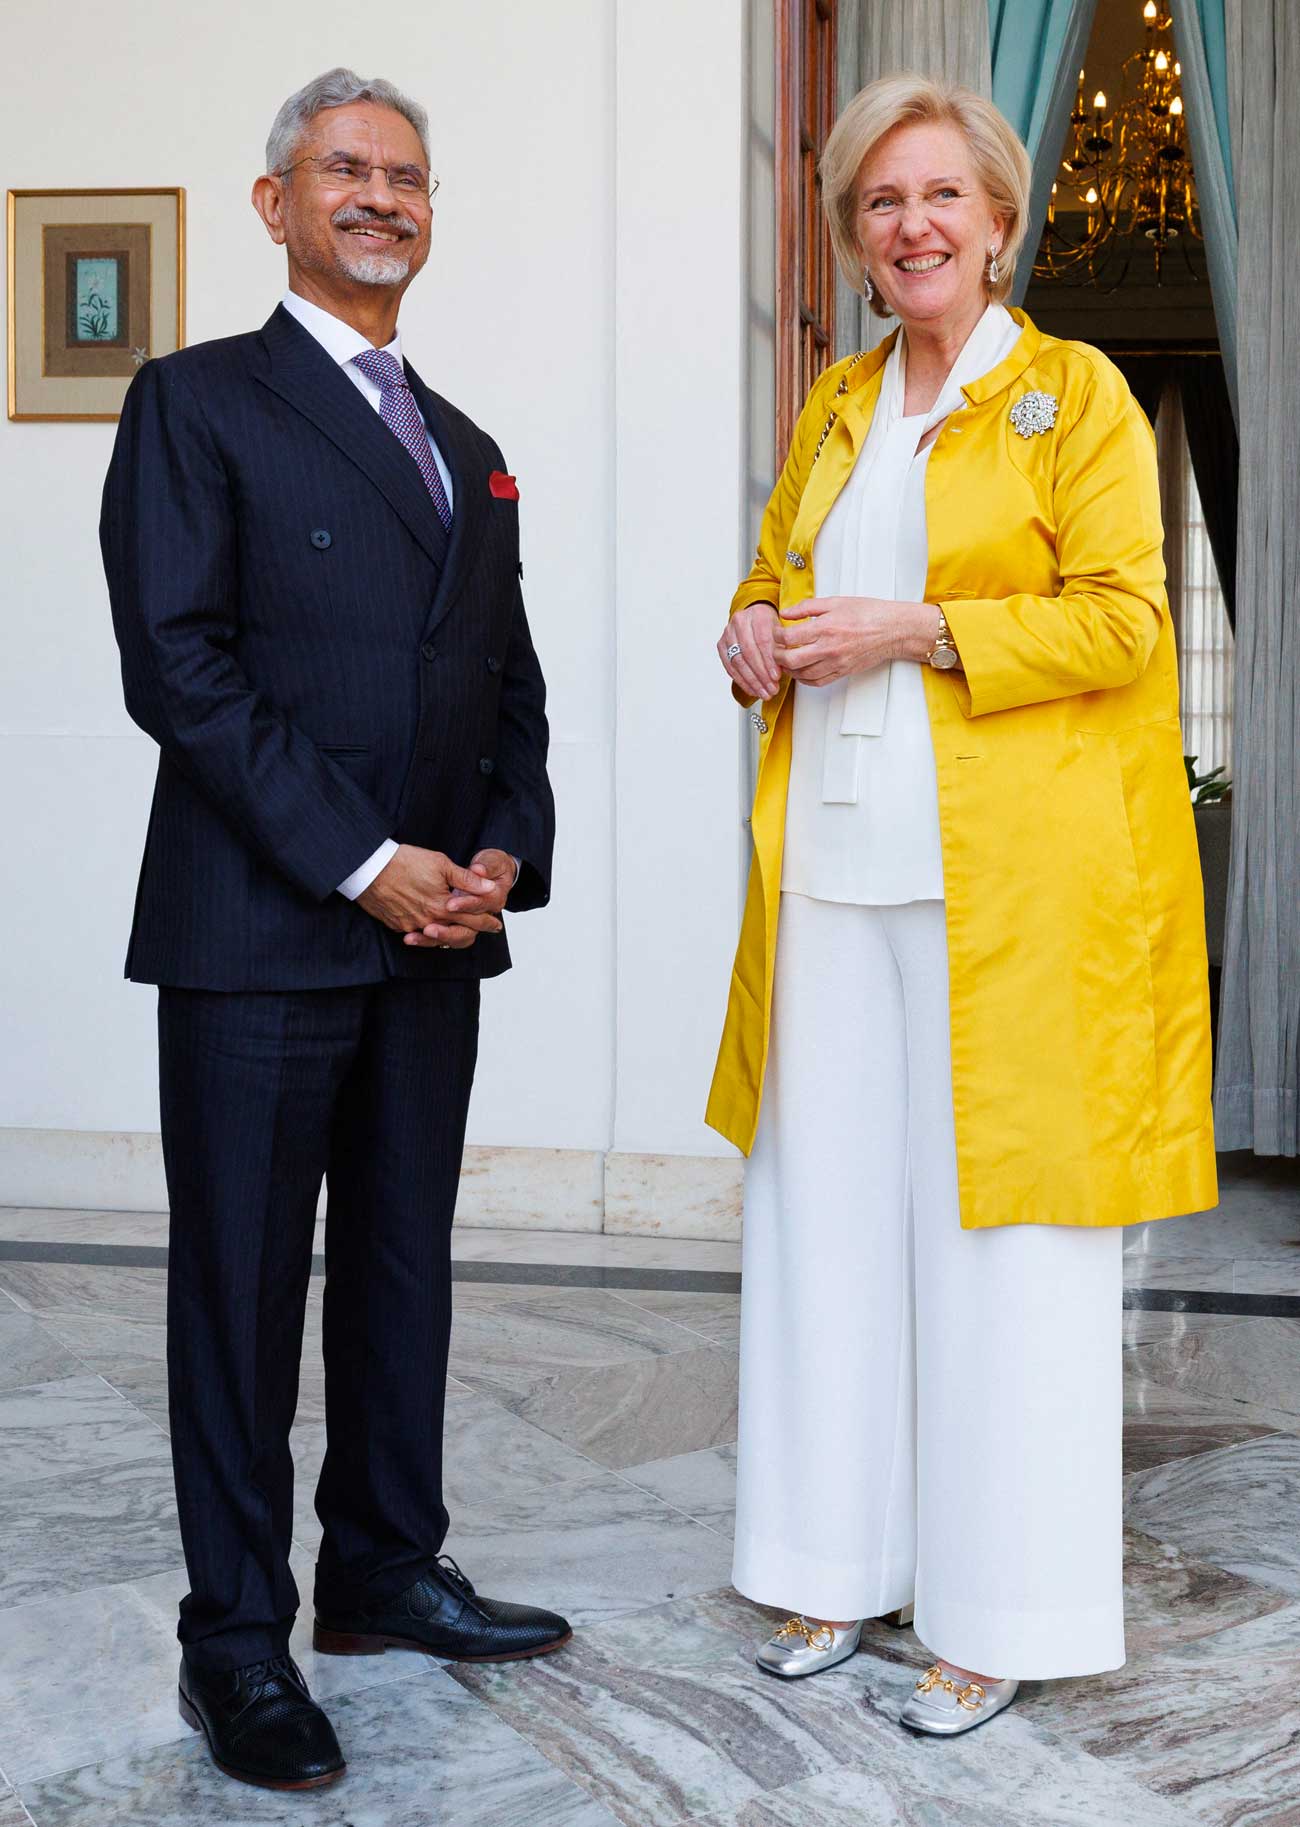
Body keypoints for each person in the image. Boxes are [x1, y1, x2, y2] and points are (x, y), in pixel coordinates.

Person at [708, 73, 1216, 1737]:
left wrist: (922, 631)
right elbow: (783, 573)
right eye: (880, 201)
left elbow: (1129, 624)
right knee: (824, 1236)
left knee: (1000, 1254)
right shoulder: (841, 405)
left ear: (998, 224)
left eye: (941, 196)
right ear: (856, 237)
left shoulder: (1073, 400)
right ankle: (830, 1564)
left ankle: (997, 1610)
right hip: (835, 876)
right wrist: (755, 627)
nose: (912, 225)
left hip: (1010, 893)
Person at [101, 67, 566, 1791]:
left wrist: (500, 853)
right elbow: (181, 671)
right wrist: (362, 854)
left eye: (408, 175)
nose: (382, 196)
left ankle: (381, 1567)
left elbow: (507, 688)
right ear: (276, 204)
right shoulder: (194, 404)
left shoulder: (472, 448)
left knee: (398, 1268)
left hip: (435, 932)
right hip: (258, 928)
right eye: (347, 169)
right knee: (237, 1295)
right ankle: (237, 1646)